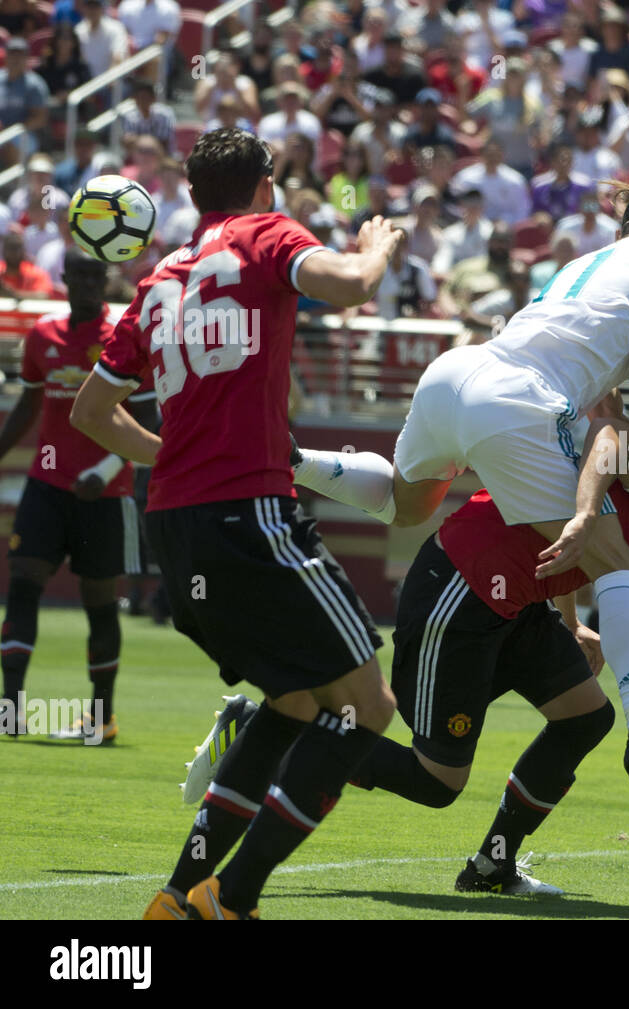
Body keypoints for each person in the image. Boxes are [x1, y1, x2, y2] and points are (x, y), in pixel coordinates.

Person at [292, 175, 629, 808]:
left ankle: (291, 460)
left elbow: (599, 412)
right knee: (620, 563)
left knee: (401, 501)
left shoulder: (591, 261)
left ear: (620, 233)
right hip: (521, 399)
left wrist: (572, 619)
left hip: (457, 372)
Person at [70, 128, 404, 921]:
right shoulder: (264, 236)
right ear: (264, 186)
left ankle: (176, 893)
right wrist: (377, 241)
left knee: (293, 703)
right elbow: (352, 284)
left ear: (190, 198)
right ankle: (234, 895)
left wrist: (173, 456)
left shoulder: (156, 282)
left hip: (174, 526)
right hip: (250, 516)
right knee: (366, 705)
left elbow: (91, 411)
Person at [212, 414, 629, 893]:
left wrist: (570, 623)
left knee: (586, 717)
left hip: (516, 600)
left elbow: (569, 516)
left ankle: (493, 866)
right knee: (437, 782)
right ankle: (265, 729)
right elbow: (607, 441)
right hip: (464, 588)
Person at [0, 251, 157, 740]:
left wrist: (109, 465)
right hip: (47, 488)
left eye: (97, 275)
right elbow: (29, 403)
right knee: (23, 586)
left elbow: (149, 418)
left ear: (107, 278)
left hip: (106, 492)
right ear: (65, 278)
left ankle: (100, 719)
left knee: (99, 601)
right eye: (80, 275)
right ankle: (10, 711)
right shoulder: (42, 336)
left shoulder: (123, 339)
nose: (89, 284)